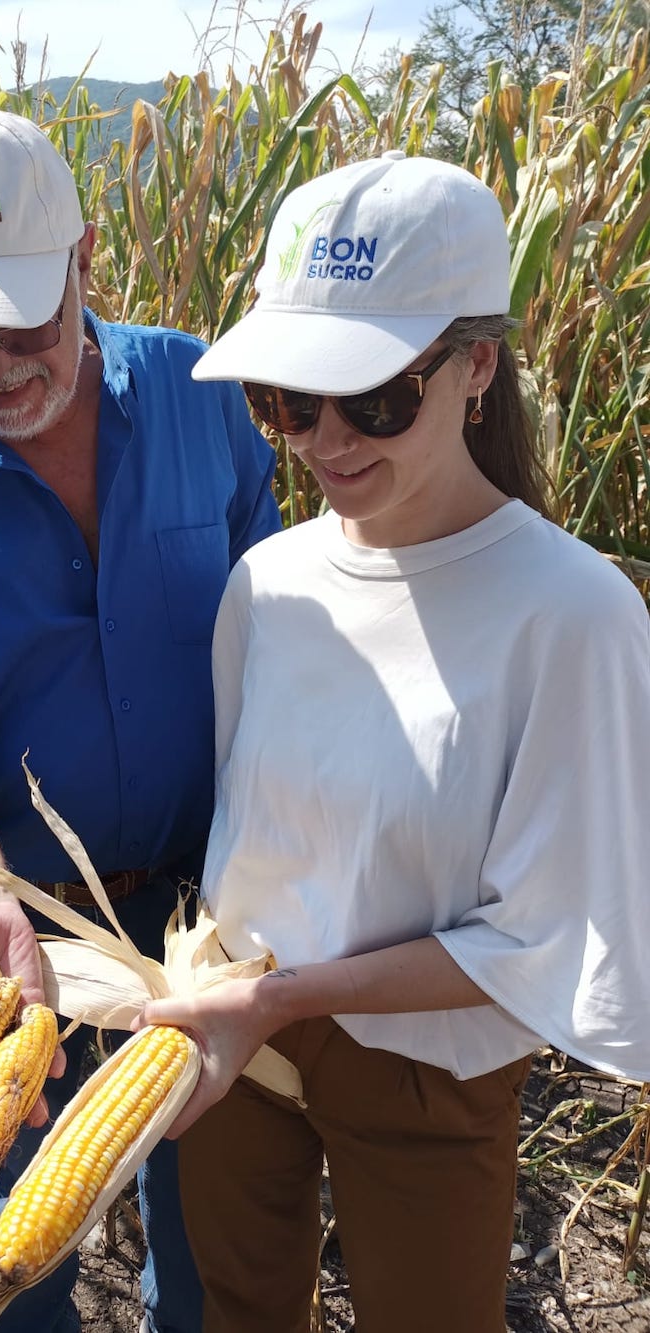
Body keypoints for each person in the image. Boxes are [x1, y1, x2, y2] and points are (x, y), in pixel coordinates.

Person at [138, 151, 650, 1333]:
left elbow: (540, 941)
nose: (322, 440)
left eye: (371, 398)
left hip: (424, 1063)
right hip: (230, 1026)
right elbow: (247, 823)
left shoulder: (572, 615)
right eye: (286, 402)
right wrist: (245, 1003)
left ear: (476, 367)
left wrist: (283, 1002)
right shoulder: (267, 581)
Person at [0, 104, 282, 1333]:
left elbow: (282, 638)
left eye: (20, 318)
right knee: (21, 1243)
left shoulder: (204, 398)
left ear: (86, 261)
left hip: (207, 917)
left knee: (207, 1243)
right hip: (23, 938)